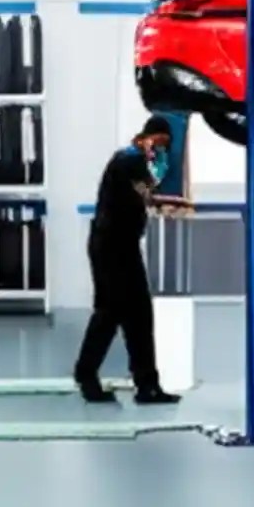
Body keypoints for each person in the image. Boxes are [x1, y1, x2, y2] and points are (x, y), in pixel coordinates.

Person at [73, 115, 191, 404]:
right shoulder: (129, 160)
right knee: (116, 312)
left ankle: (142, 383)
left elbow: (146, 195)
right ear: (147, 136)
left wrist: (173, 200)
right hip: (113, 247)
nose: (161, 150)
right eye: (159, 143)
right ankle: (97, 376)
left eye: (165, 146)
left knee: (129, 313)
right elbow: (147, 188)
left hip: (116, 244)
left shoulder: (131, 160)